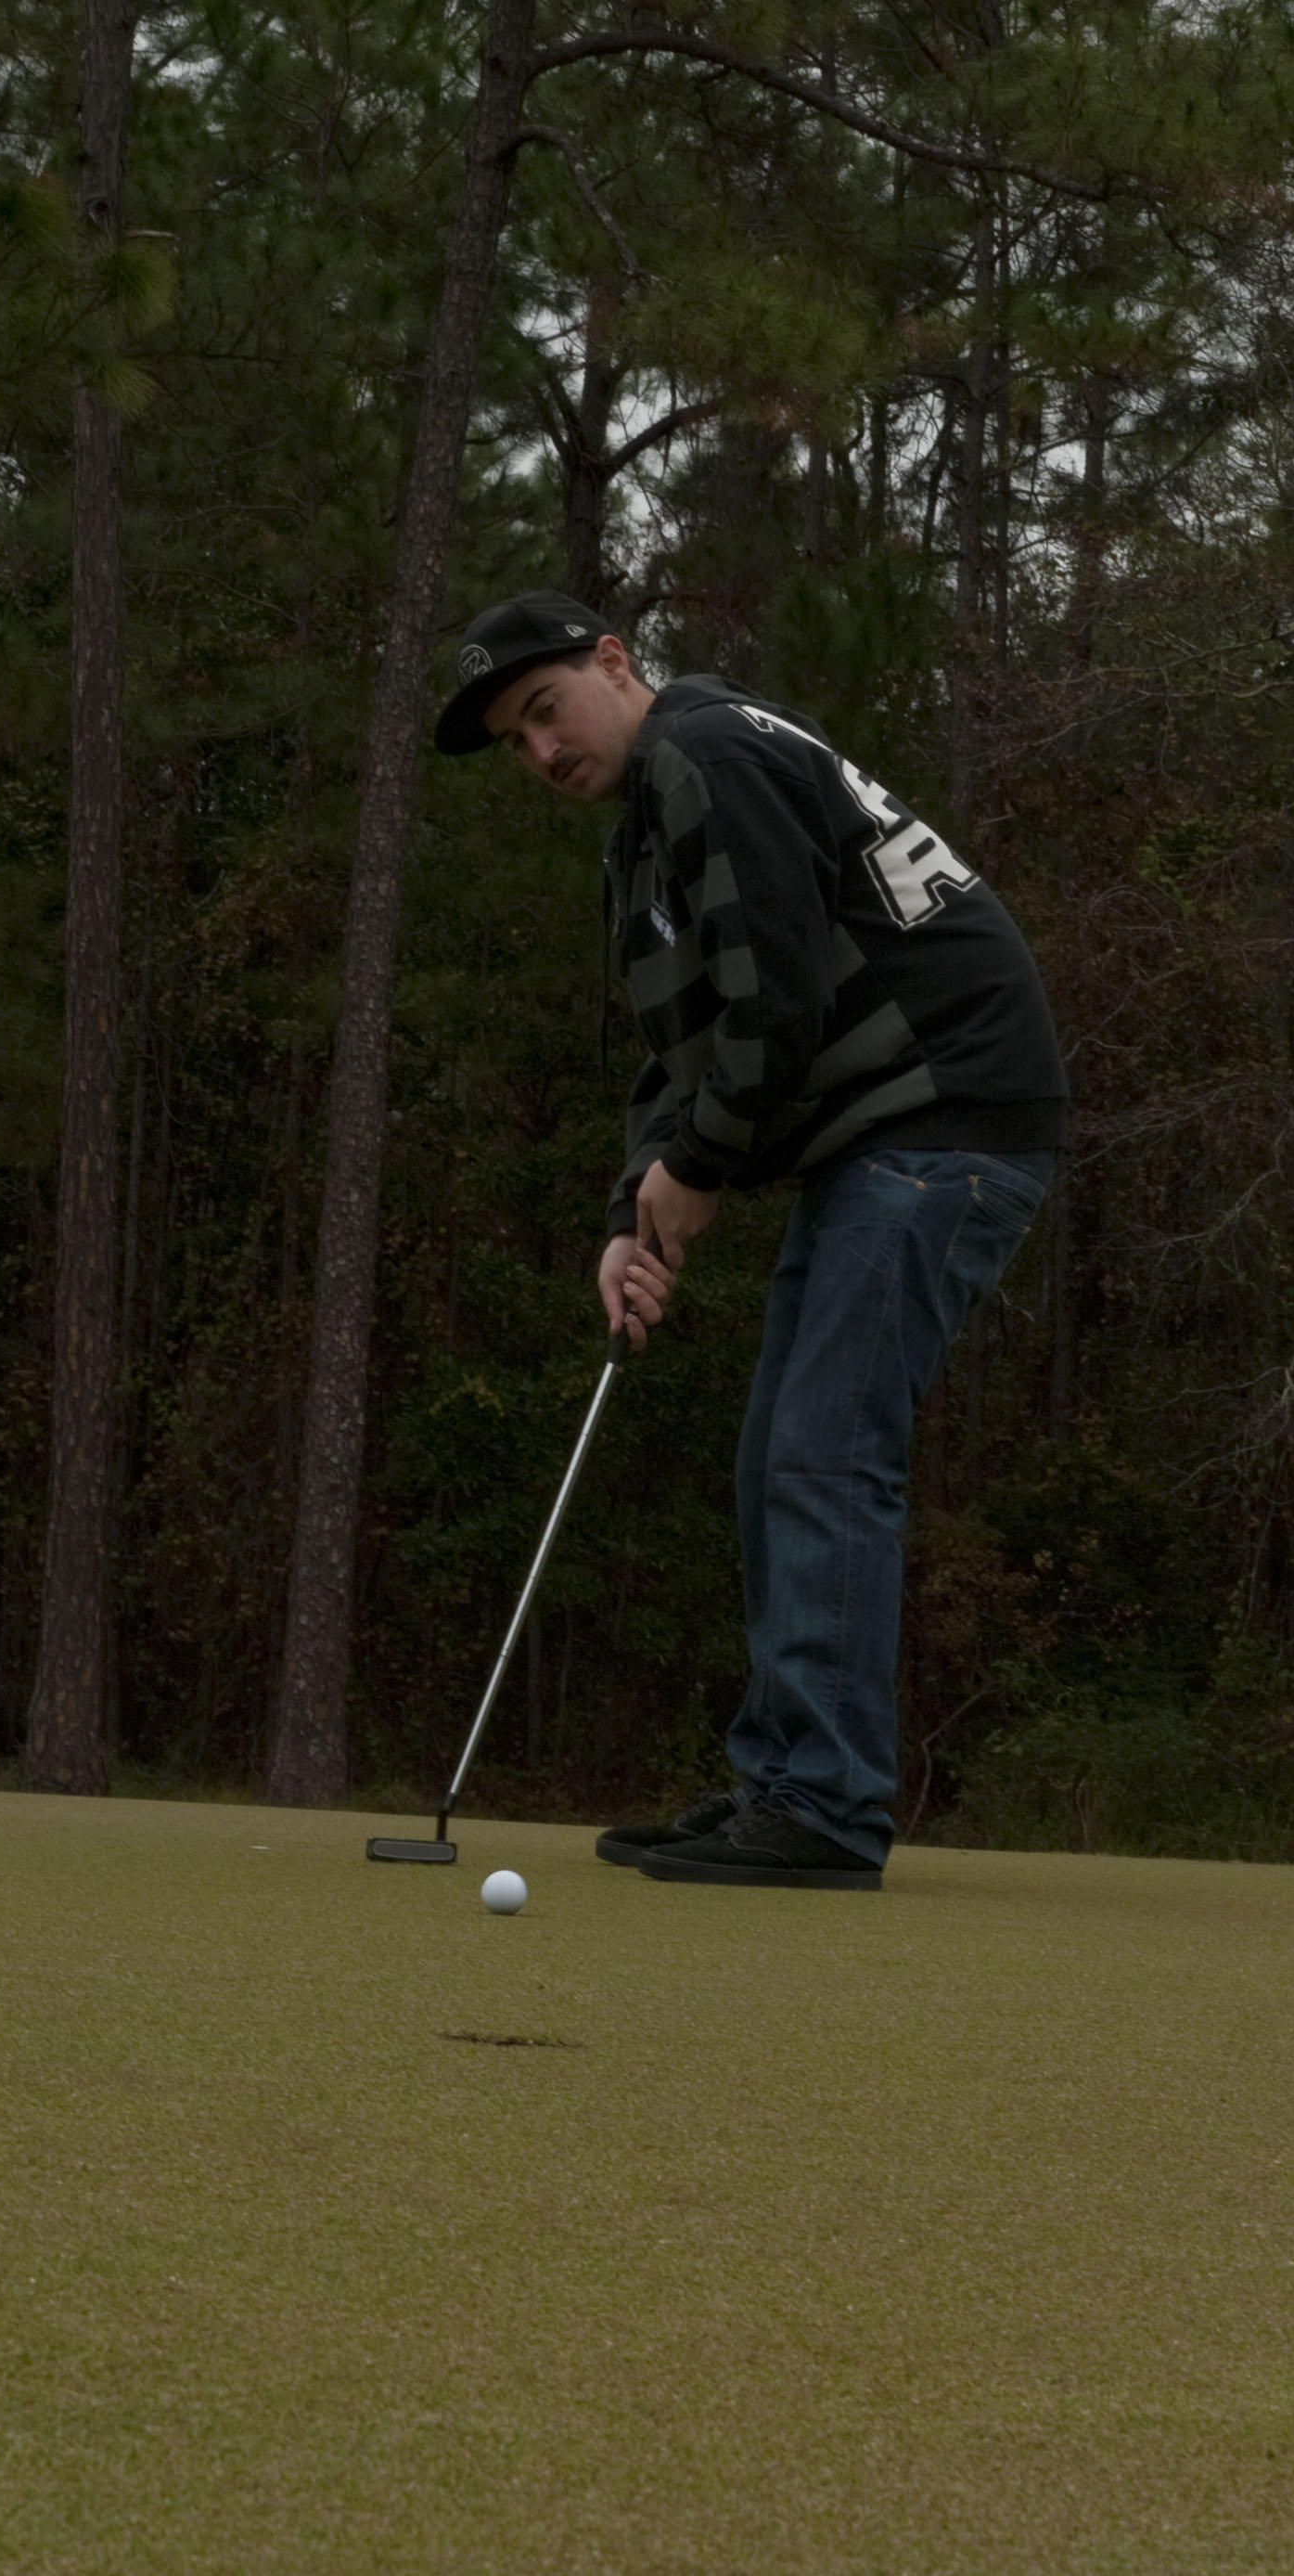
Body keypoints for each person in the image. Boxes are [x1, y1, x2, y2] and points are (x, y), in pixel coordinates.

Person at [436, 592, 1068, 1891]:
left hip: (945, 1118)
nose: (541, 751)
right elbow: (688, 1049)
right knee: (778, 1454)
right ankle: (783, 1785)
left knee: (826, 1455)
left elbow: (774, 1001)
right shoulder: (648, 829)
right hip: (879, 1142)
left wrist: (701, 1167)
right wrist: (634, 1212)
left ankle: (825, 1809)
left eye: (546, 709)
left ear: (615, 662)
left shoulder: (709, 751)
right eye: (513, 742)